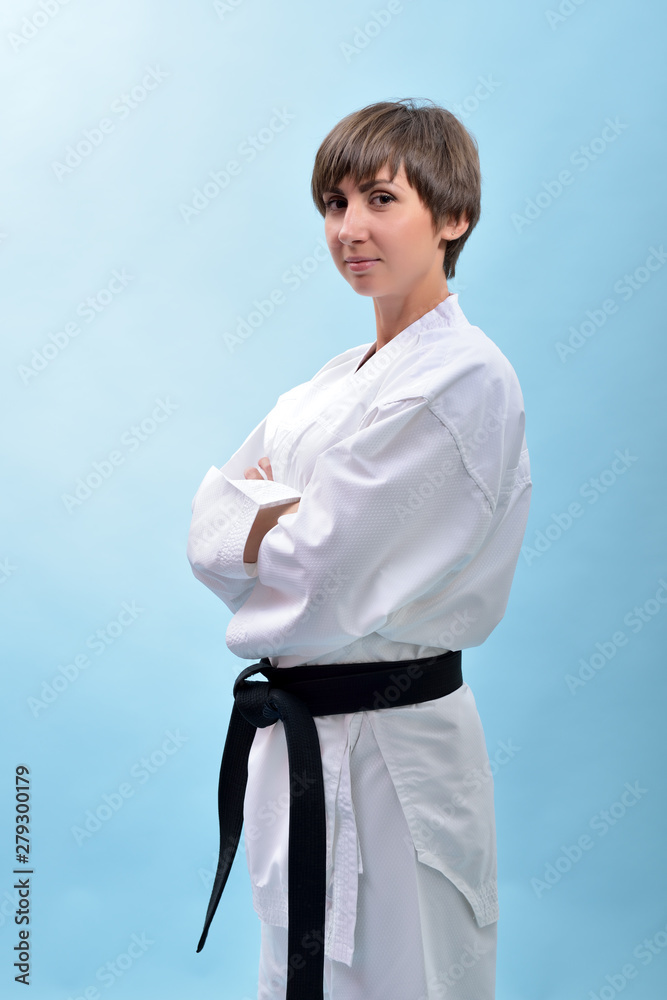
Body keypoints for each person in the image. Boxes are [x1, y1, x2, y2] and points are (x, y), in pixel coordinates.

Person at [187, 97, 532, 1000]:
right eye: (334, 205)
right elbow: (206, 536)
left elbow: (325, 579)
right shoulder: (329, 385)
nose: (350, 228)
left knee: (403, 979)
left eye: (380, 199)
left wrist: (267, 516)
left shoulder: (463, 378)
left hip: (397, 748)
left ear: (452, 216)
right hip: (302, 747)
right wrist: (282, 517)